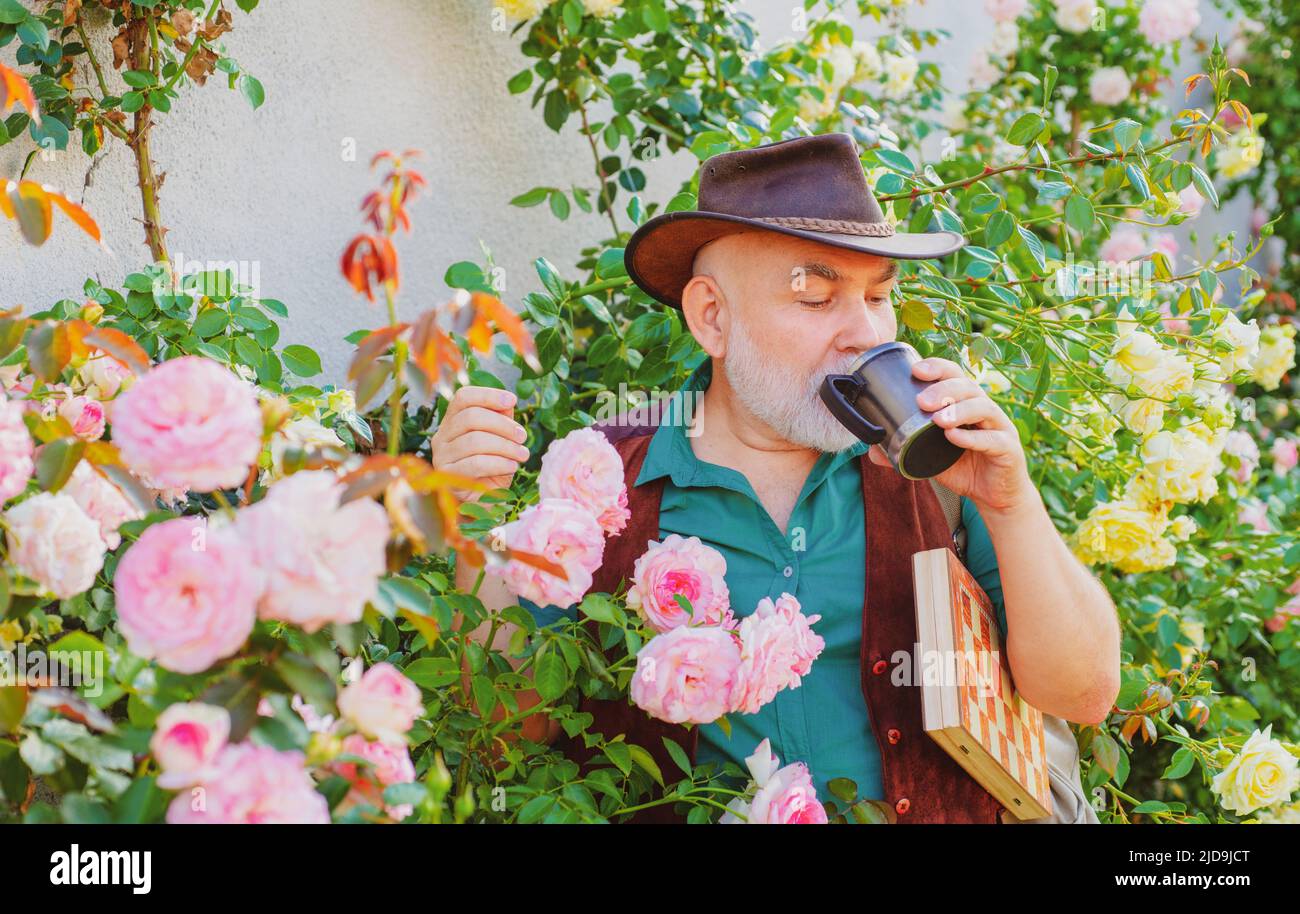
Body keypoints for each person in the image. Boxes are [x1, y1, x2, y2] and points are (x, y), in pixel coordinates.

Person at [433, 132, 1120, 822]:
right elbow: (509, 734)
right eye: (817, 299)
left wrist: (1011, 501)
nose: (864, 332)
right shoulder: (601, 481)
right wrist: (470, 520)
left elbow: (1083, 696)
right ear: (712, 316)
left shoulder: (935, 466)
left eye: (880, 297)